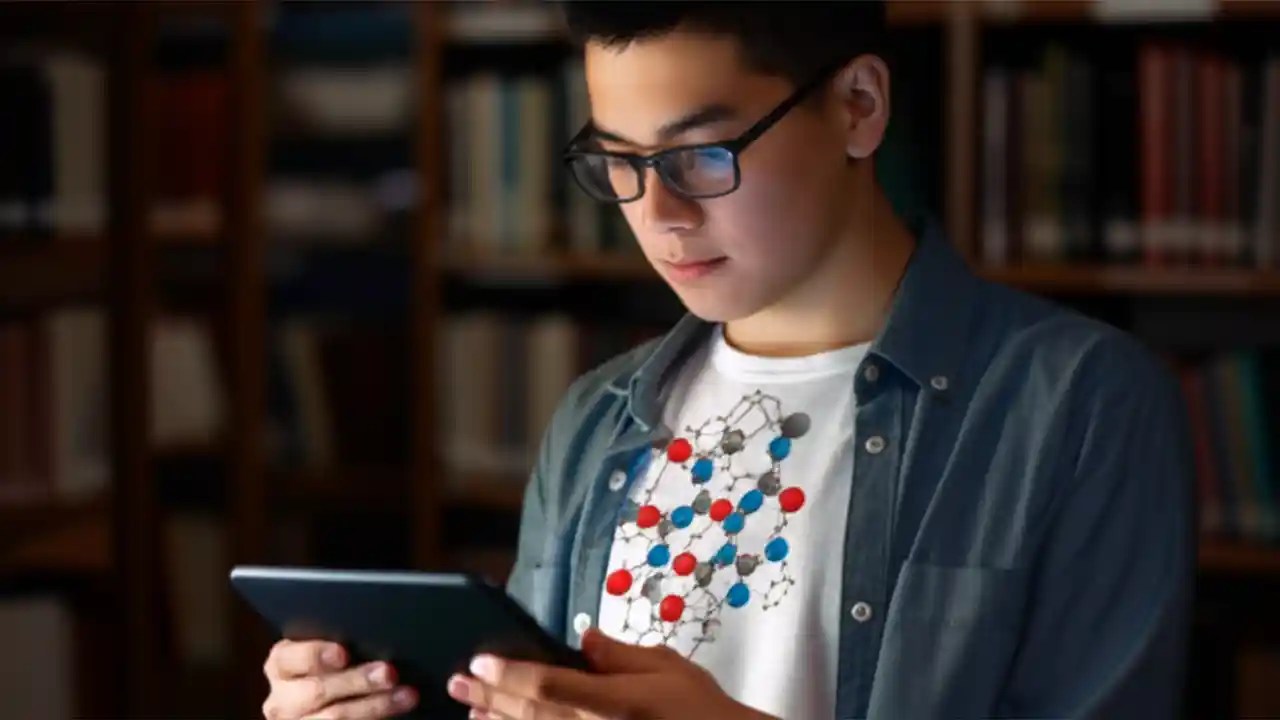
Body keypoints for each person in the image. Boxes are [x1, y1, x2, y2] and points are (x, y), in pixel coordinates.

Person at [260, 2, 1196, 719]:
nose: (657, 214)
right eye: (617, 161)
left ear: (858, 107)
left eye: (701, 155)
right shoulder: (598, 418)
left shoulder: (1077, 407)